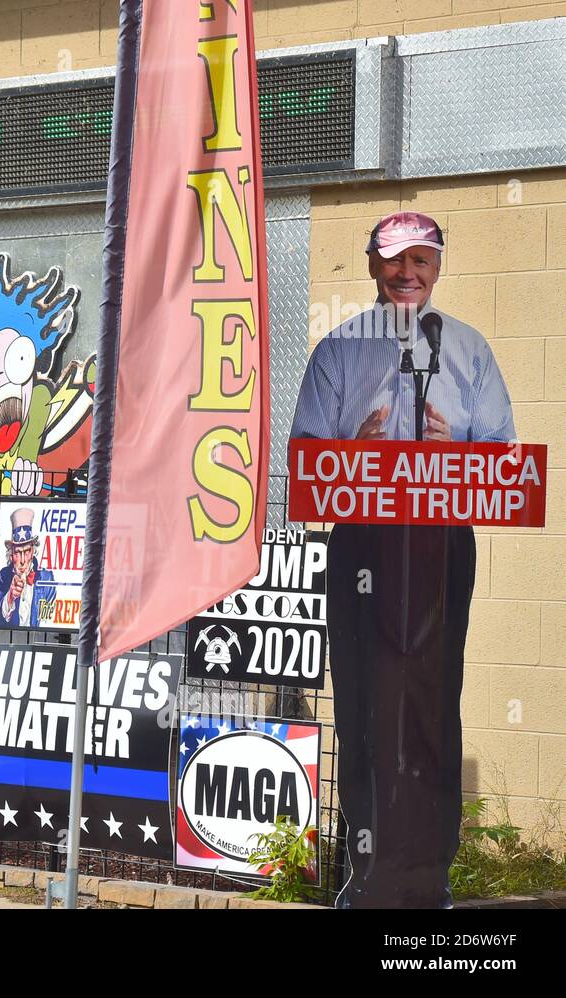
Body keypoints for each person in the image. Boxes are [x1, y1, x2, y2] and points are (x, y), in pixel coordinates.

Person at [290, 211, 516, 909]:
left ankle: (428, 875)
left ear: (438, 267)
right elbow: (305, 467)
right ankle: (366, 871)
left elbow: (503, 462)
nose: (407, 273)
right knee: (363, 701)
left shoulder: (470, 351)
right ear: (371, 265)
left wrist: (460, 458)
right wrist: (349, 453)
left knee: (432, 703)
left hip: (441, 547)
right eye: (394, 260)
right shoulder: (336, 351)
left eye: (421, 260)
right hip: (363, 544)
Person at [0, 507, 56, 628]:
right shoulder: (3, 576)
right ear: (10, 555)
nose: (22, 560)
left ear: (33, 552)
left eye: (26, 552)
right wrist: (10, 597)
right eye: (17, 553)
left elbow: (51, 620)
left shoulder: (47, 578)